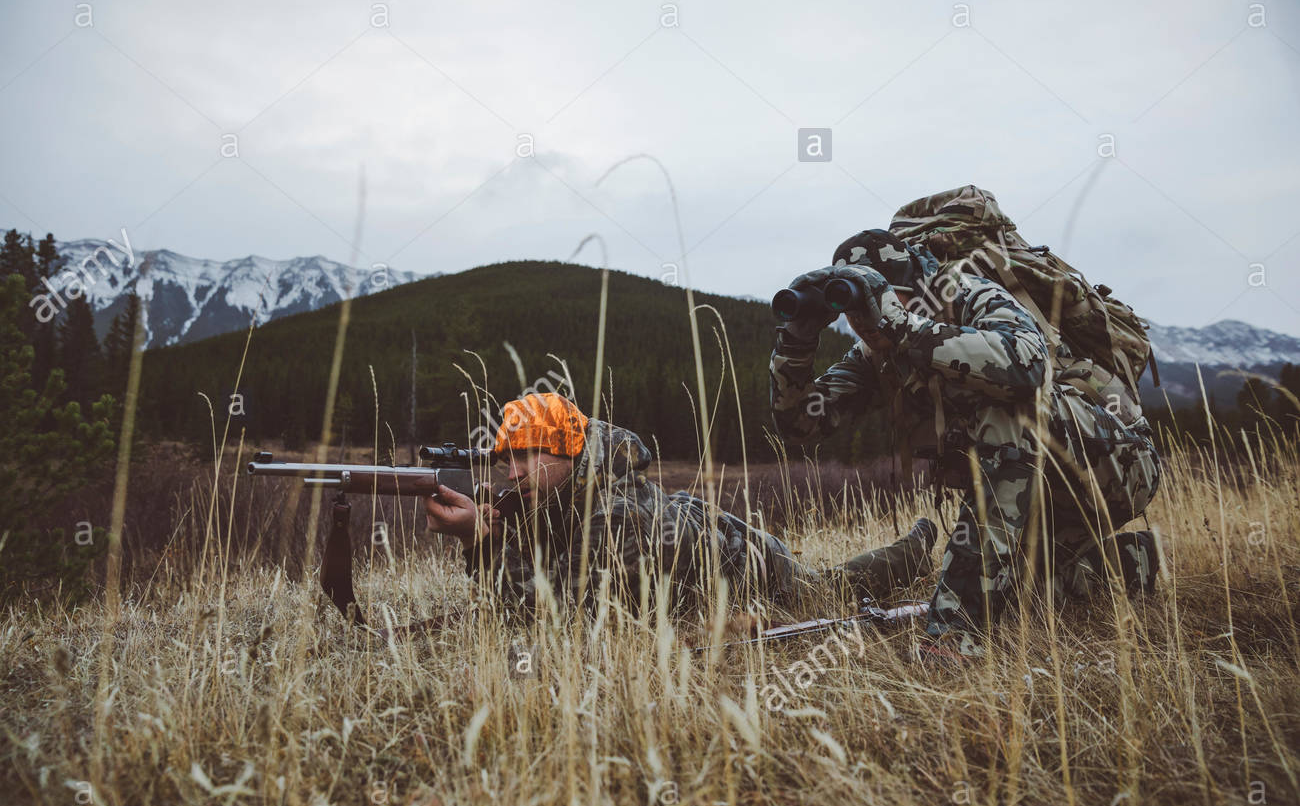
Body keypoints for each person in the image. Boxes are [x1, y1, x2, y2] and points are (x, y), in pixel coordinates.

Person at [769, 225, 1161, 654]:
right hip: (1033, 494)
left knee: (1009, 403)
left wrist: (906, 329)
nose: (863, 323)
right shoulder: (876, 355)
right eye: (852, 313)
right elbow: (800, 424)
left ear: (909, 289)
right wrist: (797, 340)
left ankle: (954, 634)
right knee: (1011, 597)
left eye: (873, 305)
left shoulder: (967, 293)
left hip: (1116, 464)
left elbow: (1027, 367)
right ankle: (1125, 564)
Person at [421, 392, 936, 622]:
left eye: (528, 456)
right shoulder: (561, 491)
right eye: (507, 460)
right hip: (690, 521)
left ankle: (918, 547)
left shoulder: (617, 515)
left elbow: (553, 615)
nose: (512, 473)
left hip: (748, 562)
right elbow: (549, 564)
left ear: (568, 453)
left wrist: (481, 540)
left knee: (832, 589)